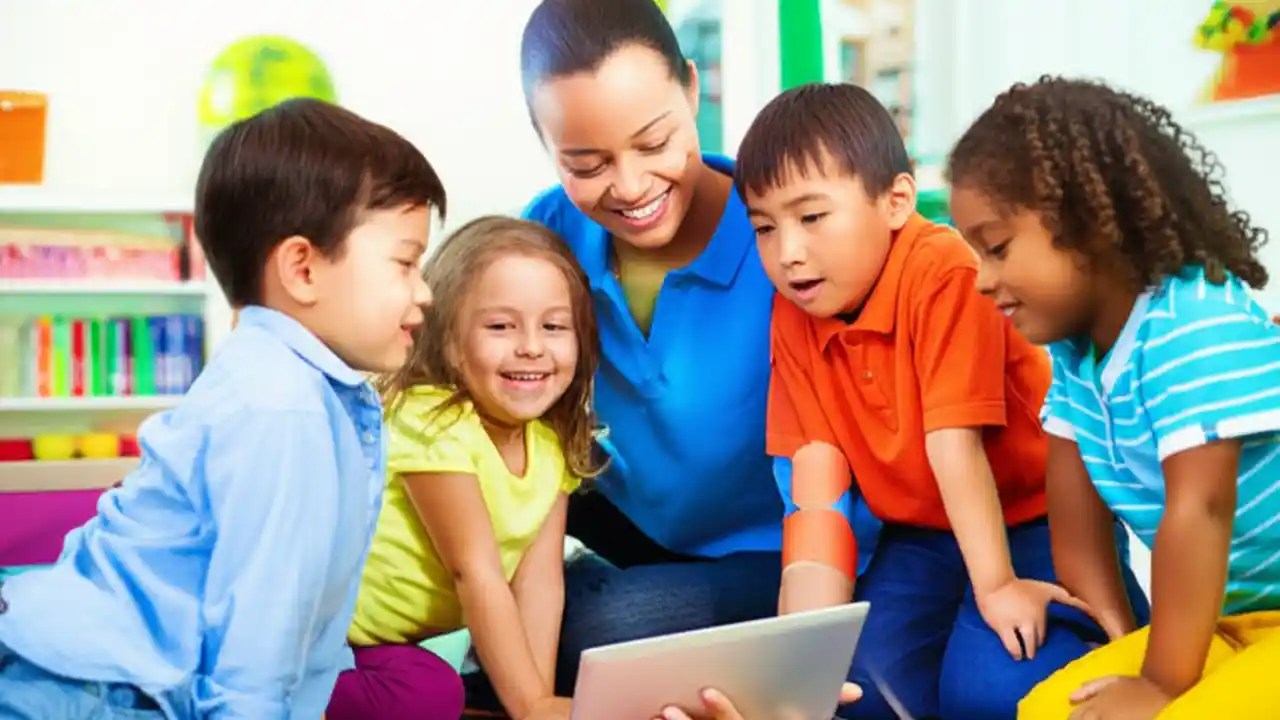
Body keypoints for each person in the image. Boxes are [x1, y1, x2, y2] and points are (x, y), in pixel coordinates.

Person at [0, 98, 445, 718]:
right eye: (405, 262)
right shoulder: (282, 407)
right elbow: (259, 636)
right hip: (94, 688)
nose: (424, 291)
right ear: (303, 269)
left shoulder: (295, 384)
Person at [735, 82, 1150, 720]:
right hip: (923, 535)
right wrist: (803, 661)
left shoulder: (949, 272)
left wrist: (998, 586)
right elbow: (816, 494)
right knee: (851, 693)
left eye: (812, 217)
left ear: (897, 200)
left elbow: (952, 442)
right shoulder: (792, 314)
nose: (788, 253)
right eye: (764, 228)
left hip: (1037, 519)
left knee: (994, 693)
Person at [511, 0, 882, 700]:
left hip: (775, 546)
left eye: (654, 144)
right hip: (640, 511)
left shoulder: (783, 237)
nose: (630, 185)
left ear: (691, 86)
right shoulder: (548, 231)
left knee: (601, 627)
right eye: (585, 163)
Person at [948, 76, 1280, 720]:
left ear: (1090, 225)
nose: (983, 280)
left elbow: (1202, 508)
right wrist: (1130, 651)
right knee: (1051, 709)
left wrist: (1157, 683)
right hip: (1231, 618)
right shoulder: (1078, 357)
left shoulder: (1195, 324)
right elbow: (1078, 537)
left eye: (997, 248)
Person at [326, 217, 601, 720]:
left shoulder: (549, 445)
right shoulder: (431, 420)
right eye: (501, 326)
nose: (532, 347)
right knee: (433, 696)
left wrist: (532, 702)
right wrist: (531, 705)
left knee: (430, 691)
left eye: (554, 327)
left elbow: (539, 583)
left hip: (384, 647)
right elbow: (474, 571)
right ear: (449, 341)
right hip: (320, 633)